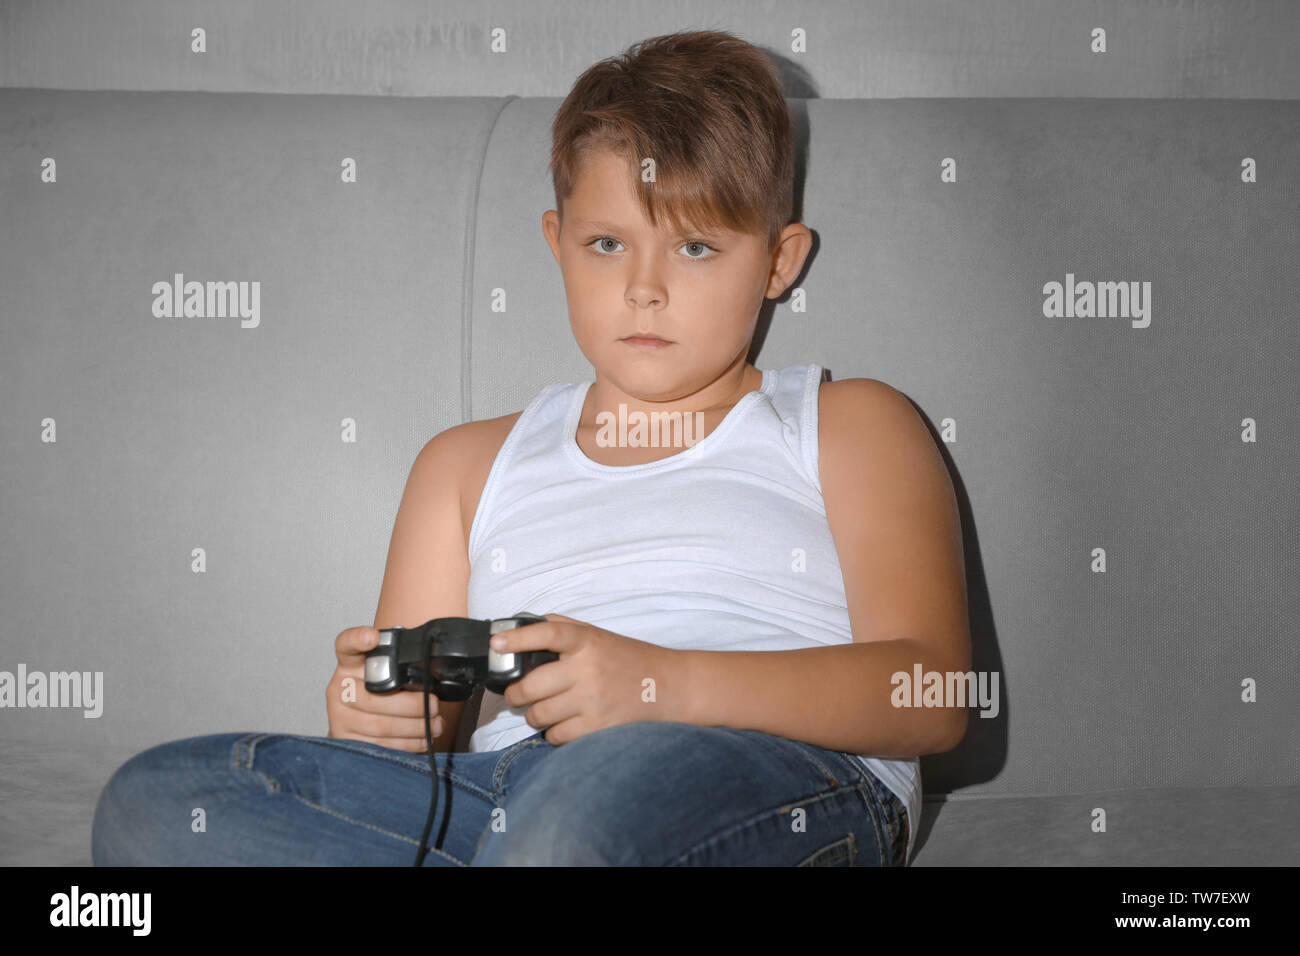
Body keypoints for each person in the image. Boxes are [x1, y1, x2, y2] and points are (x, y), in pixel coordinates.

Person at [92, 28, 970, 867]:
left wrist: (661, 684)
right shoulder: (466, 465)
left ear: (779, 262)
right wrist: (387, 719)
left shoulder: (849, 422)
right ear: (557, 246)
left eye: (697, 247)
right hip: (502, 795)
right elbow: (426, 739)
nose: (644, 290)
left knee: (572, 824)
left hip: (780, 773)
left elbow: (931, 695)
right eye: (606, 244)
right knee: (159, 804)